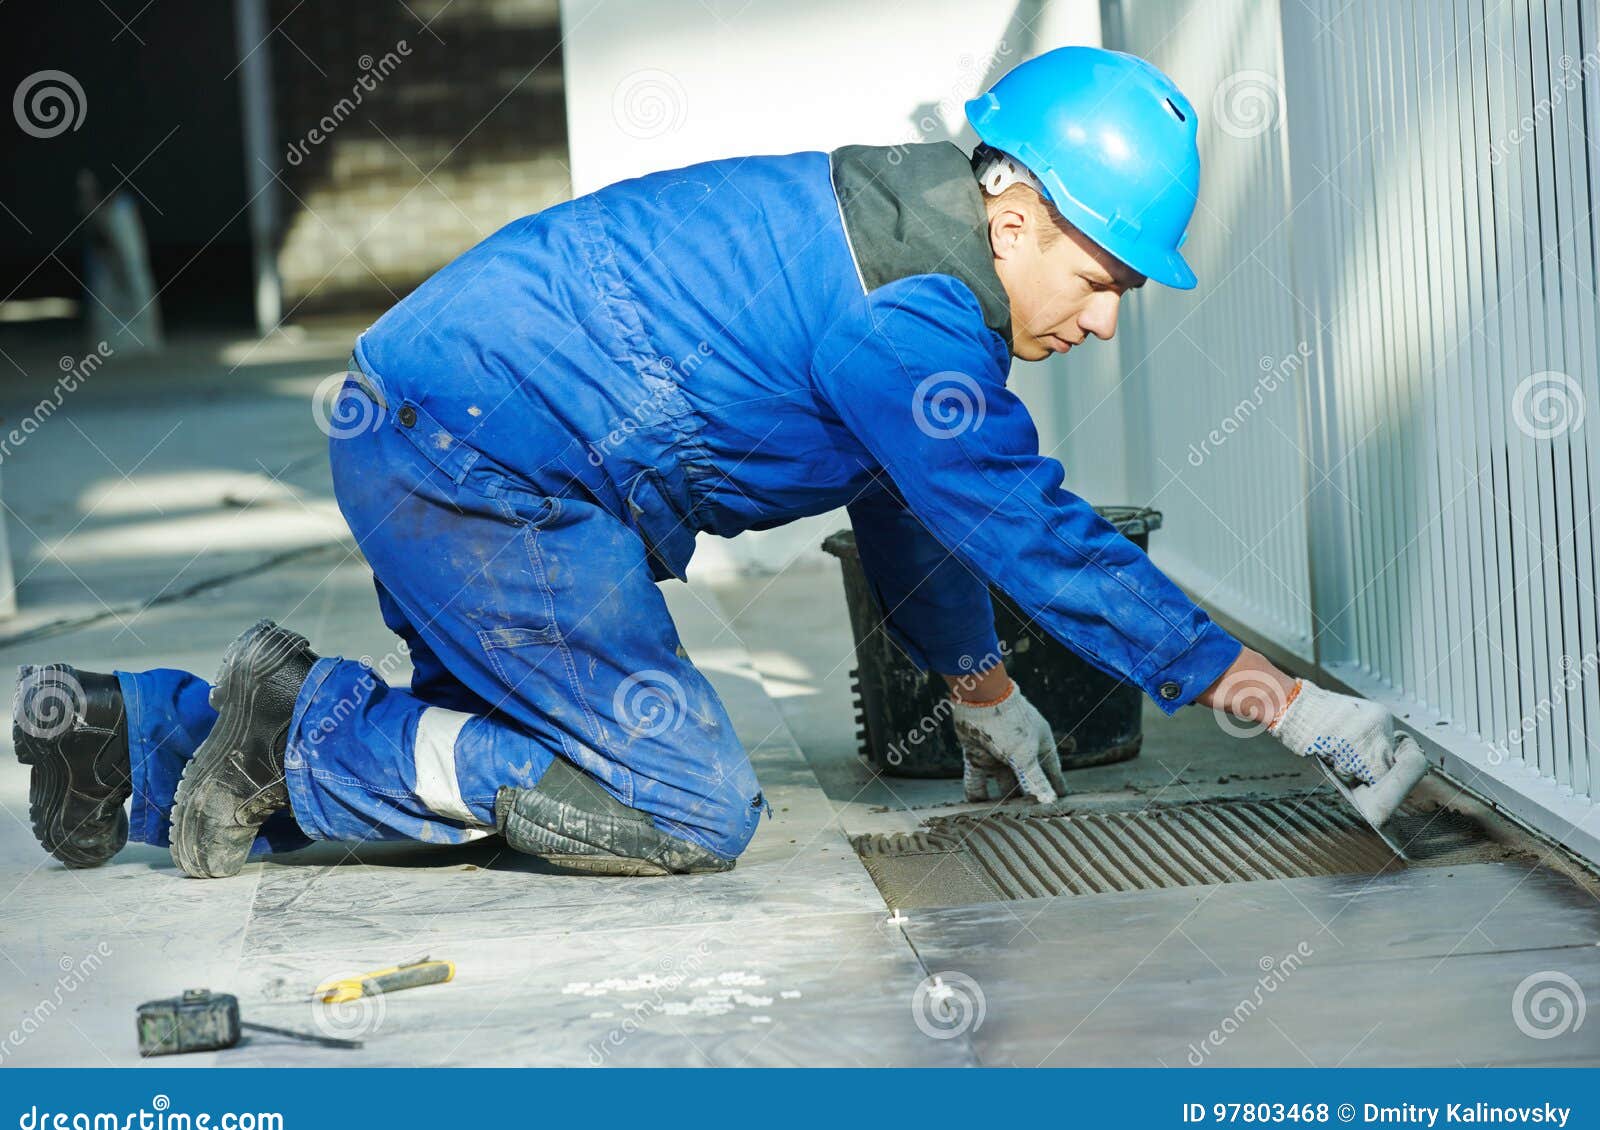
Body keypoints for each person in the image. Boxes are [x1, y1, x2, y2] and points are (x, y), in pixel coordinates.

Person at [13, 46, 1429, 879]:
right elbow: (1032, 532)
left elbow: (910, 495)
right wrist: (1283, 703)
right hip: (489, 471)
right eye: (1107, 271)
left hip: (460, 445)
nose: (1109, 313)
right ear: (1019, 210)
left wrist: (982, 691)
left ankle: (136, 739)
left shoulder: (909, 257)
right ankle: (305, 722)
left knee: (502, 771)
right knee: (683, 806)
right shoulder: (912, 323)